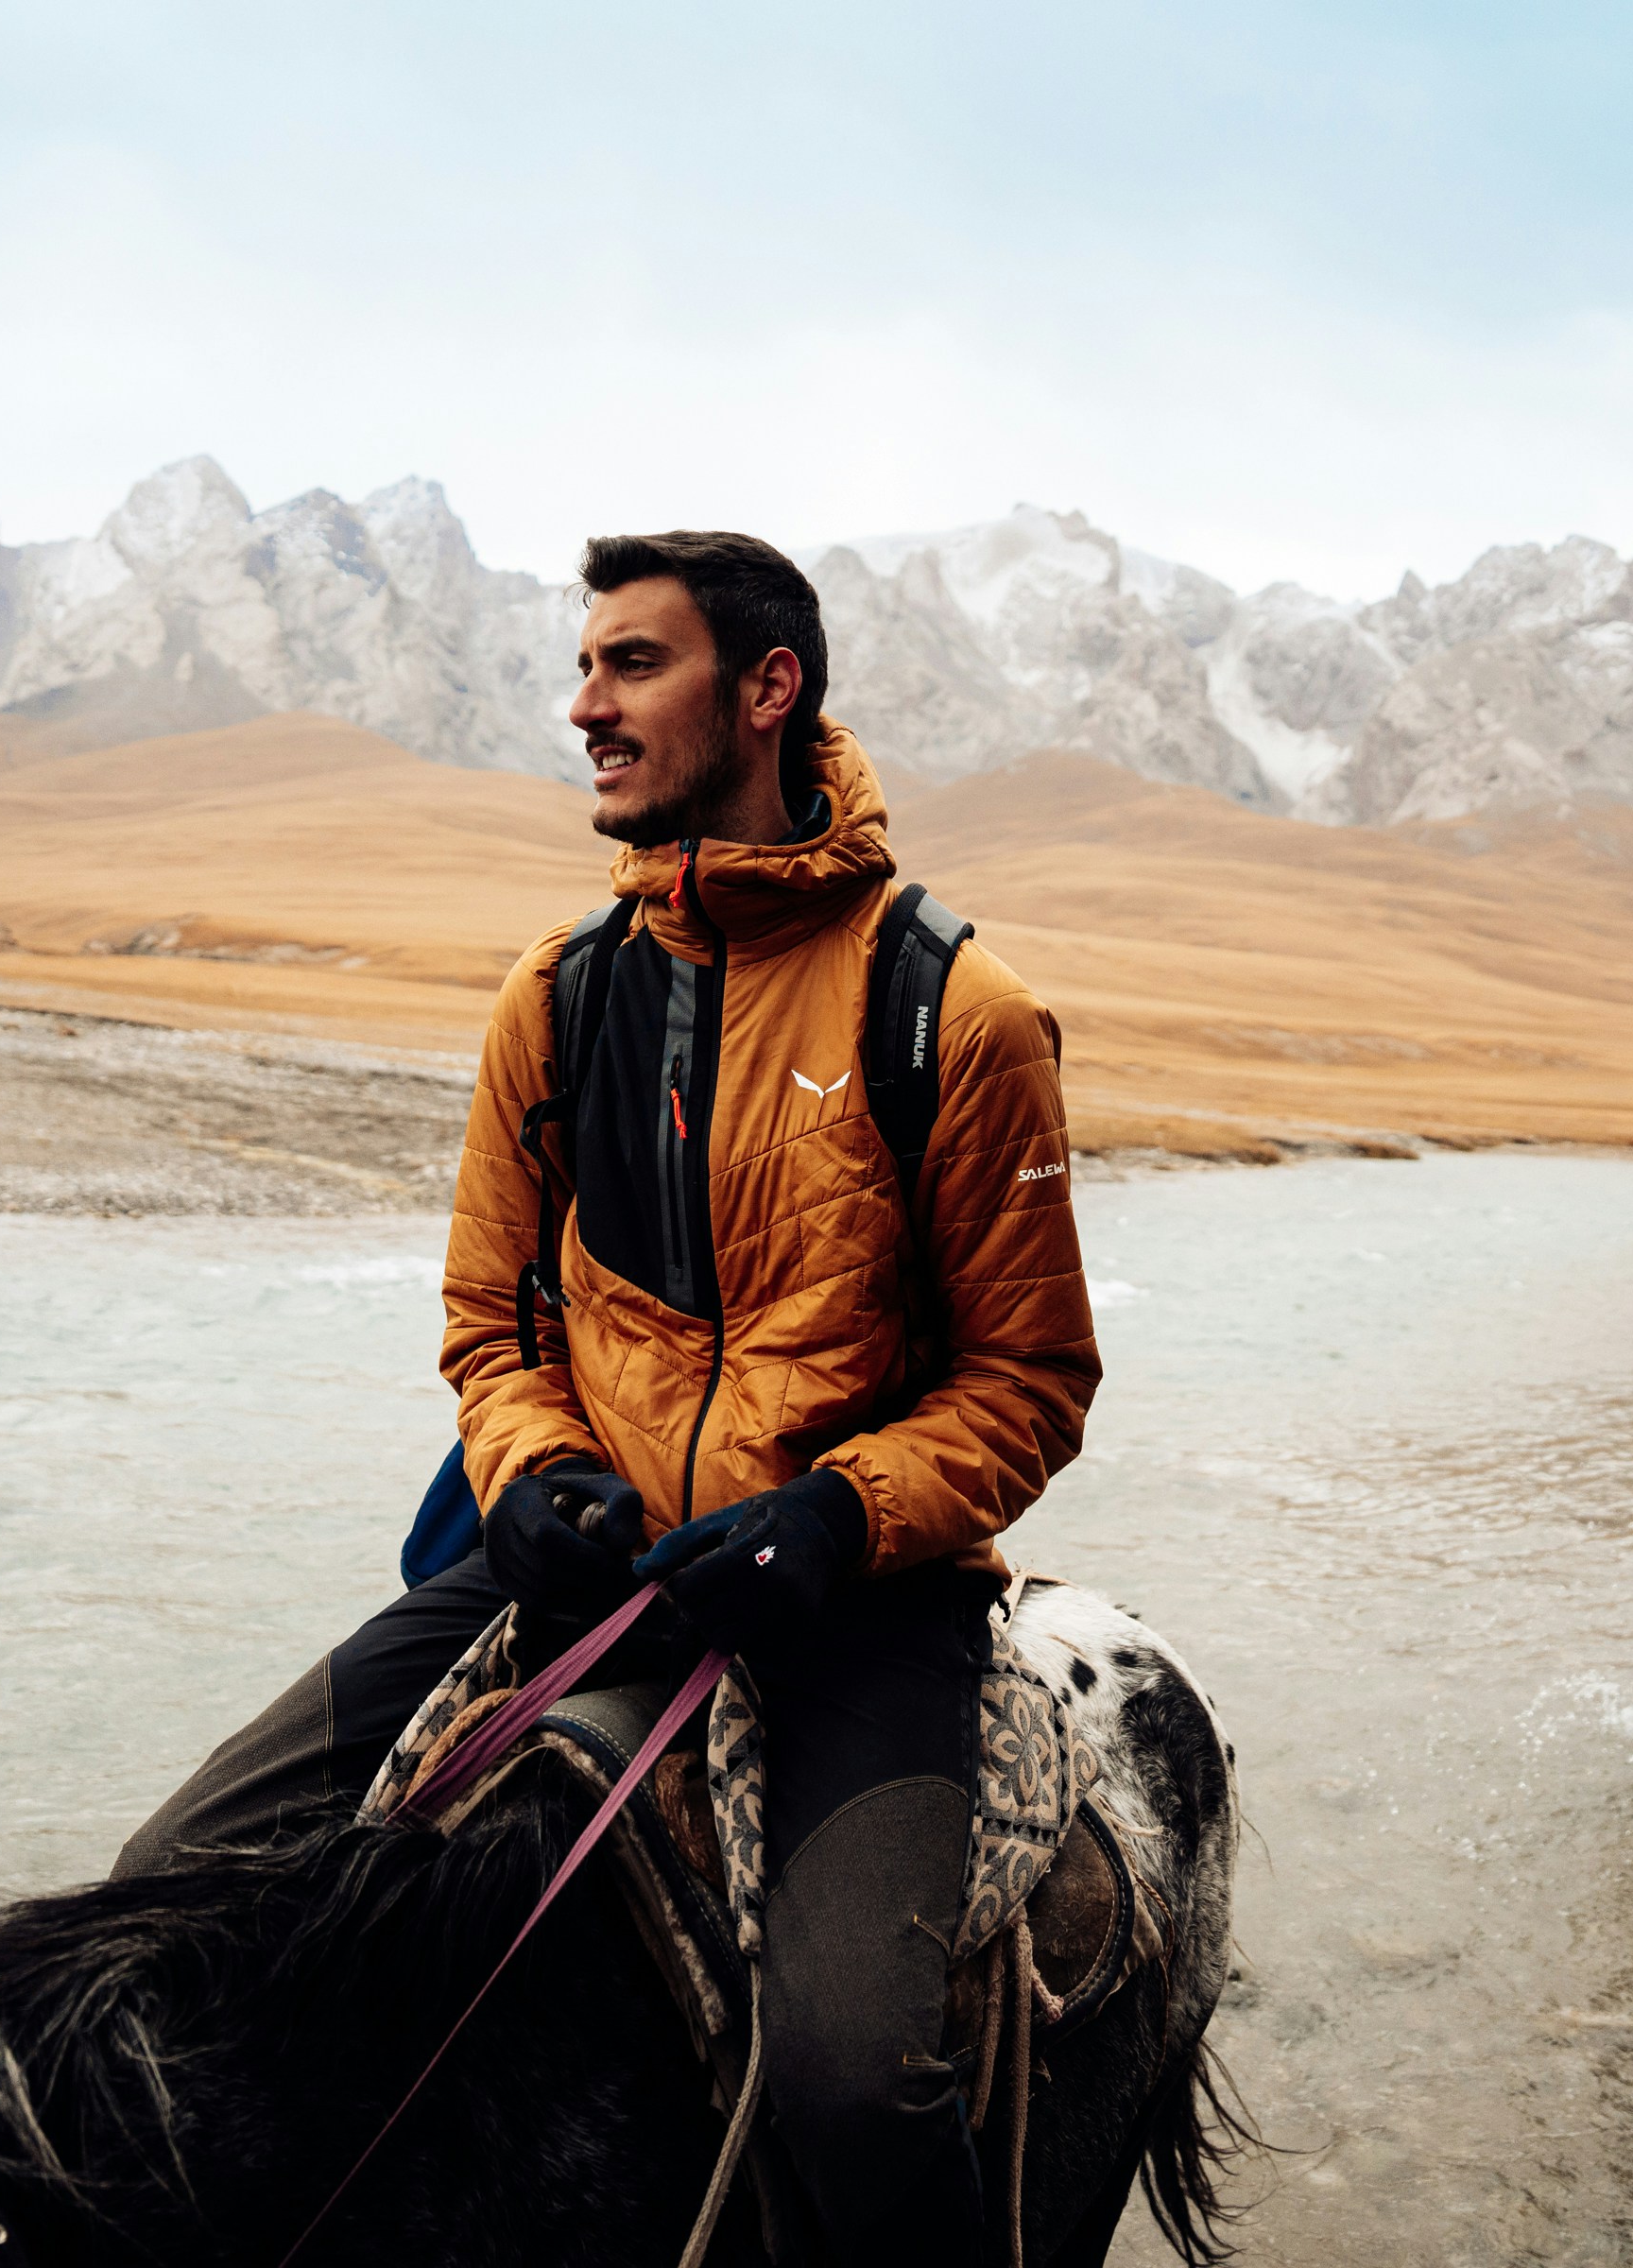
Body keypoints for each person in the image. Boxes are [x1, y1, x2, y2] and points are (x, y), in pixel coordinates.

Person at [112, 531, 1097, 2267]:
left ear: (767, 688)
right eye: (586, 667)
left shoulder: (958, 1012)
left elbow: (1032, 1381)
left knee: (858, 2081)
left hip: (857, 1615)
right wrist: (534, 1468)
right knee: (159, 1885)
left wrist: (834, 1514)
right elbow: (490, 1324)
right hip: (577, 1569)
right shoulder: (557, 1000)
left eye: (632, 664)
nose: (585, 706)